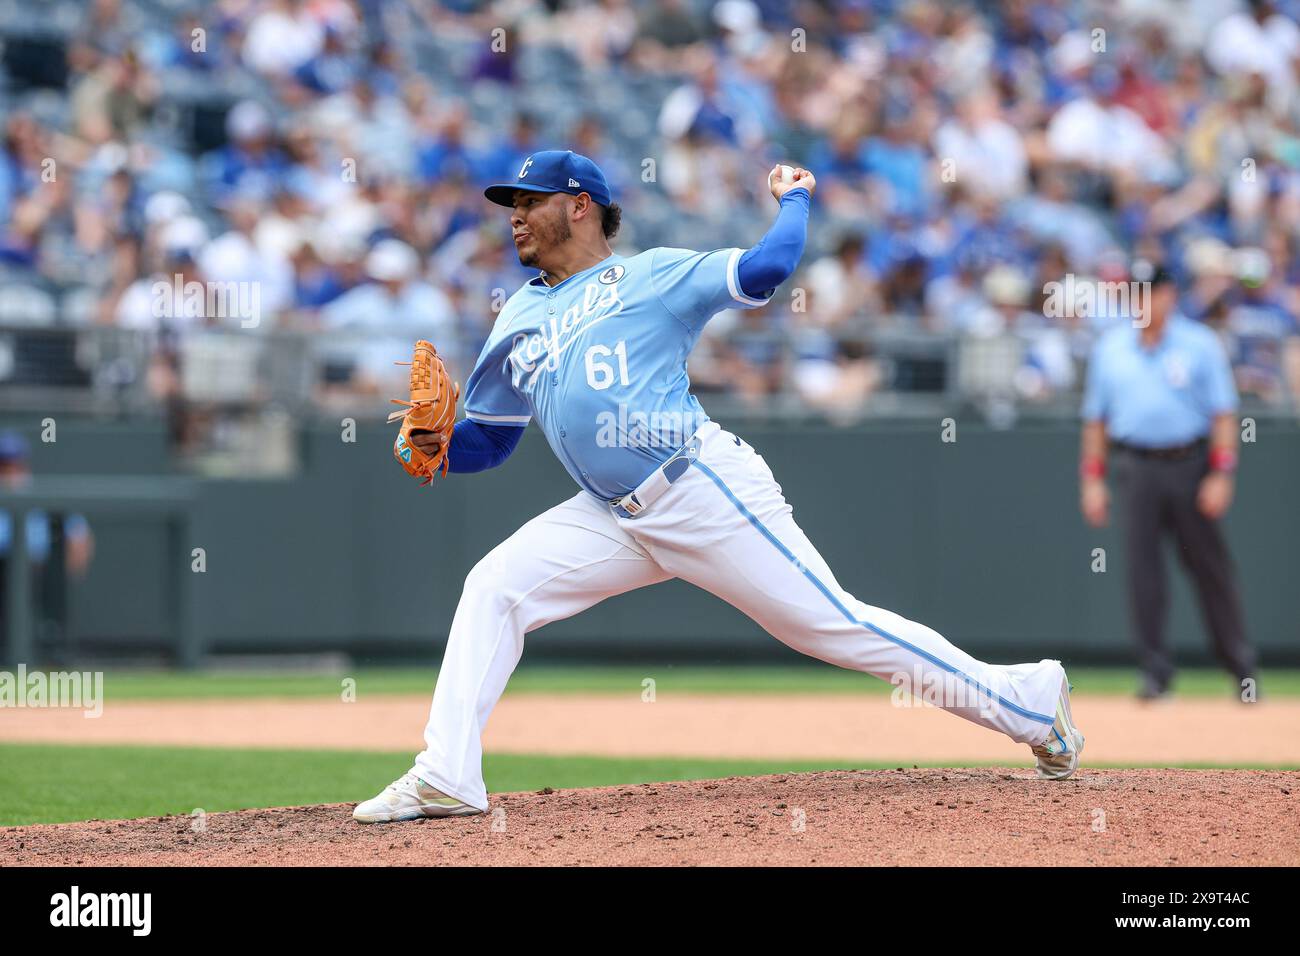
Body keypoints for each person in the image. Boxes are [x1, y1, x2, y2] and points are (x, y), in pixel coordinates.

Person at [353, 151, 1084, 823]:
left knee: (835, 626)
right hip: (611, 516)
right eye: (509, 203)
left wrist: (793, 198)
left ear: (579, 206)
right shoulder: (517, 314)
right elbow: (493, 440)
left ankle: (1030, 700)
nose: (513, 213)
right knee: (494, 587)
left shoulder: (654, 275)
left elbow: (766, 269)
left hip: (699, 488)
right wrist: (439, 449)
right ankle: (447, 773)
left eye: (529, 199)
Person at [1080, 263, 1256, 700]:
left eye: (1151, 292)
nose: (1142, 301)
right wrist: (1092, 480)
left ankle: (1242, 672)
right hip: (1135, 466)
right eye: (1136, 293)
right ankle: (1155, 675)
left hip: (1190, 464)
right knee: (1144, 574)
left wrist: (1222, 472)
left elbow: (1223, 414)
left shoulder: (1200, 344)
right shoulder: (1111, 348)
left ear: (1169, 295)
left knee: (1210, 571)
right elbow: (1095, 422)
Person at [0, 432, 94, 661]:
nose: (9, 472)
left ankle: (50, 653)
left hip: (38, 575)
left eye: (14, 464)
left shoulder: (41, 495)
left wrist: (65, 578)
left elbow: (80, 536)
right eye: (4, 465)